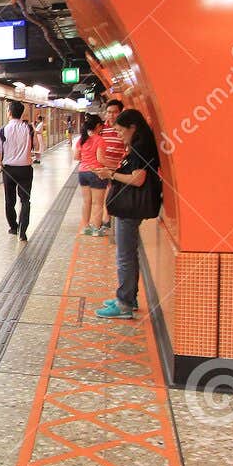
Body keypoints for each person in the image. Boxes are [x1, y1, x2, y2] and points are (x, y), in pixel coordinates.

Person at [96, 108, 161, 320]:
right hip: (130, 208)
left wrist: (111, 175)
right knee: (128, 254)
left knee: (124, 255)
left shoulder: (140, 147)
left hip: (130, 209)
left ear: (133, 127)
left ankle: (124, 303)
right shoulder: (140, 144)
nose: (120, 135)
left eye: (122, 131)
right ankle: (127, 298)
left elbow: (138, 178)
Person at [0, 100, 38, 241]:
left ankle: (13, 227)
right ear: (21, 113)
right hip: (25, 169)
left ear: (9, 113)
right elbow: (36, 146)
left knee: (9, 200)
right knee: (25, 200)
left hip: (9, 170)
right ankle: (23, 232)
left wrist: (0, 164)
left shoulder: (2, 130)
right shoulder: (29, 129)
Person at [74, 114, 109, 235]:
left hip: (82, 172)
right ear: (98, 126)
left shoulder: (81, 139)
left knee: (86, 201)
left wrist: (86, 160)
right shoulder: (100, 140)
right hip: (96, 172)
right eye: (101, 127)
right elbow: (101, 159)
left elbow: (76, 157)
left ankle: (85, 227)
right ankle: (96, 229)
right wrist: (114, 164)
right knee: (98, 203)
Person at [96, 98, 126, 233]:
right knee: (104, 197)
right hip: (103, 168)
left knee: (112, 195)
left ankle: (108, 222)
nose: (111, 115)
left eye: (114, 112)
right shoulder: (101, 129)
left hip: (119, 169)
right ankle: (105, 222)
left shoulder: (124, 129)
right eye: (109, 112)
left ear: (120, 113)